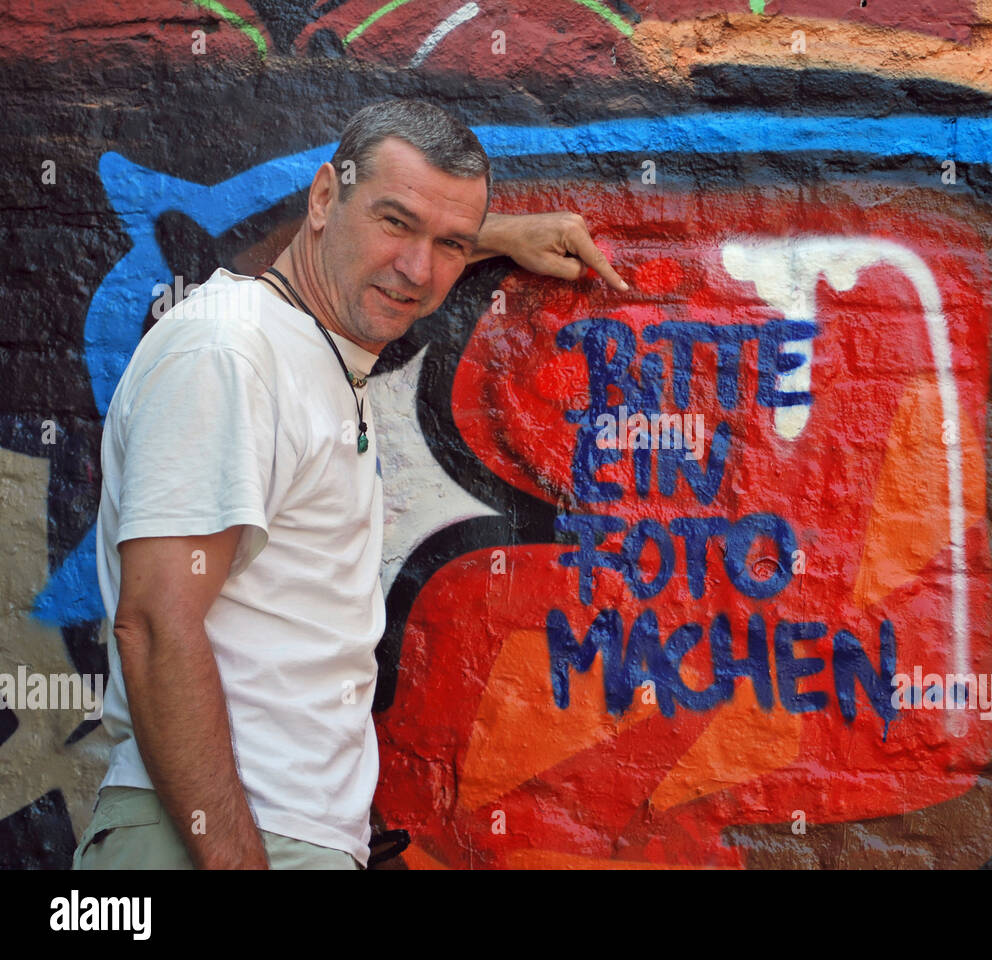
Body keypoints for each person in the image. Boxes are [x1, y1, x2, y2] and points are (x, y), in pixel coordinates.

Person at [75, 99, 627, 870]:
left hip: (283, 833)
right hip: (212, 838)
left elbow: (399, 260)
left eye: (450, 243)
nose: (419, 268)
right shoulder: (231, 354)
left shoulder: (305, 341)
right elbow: (156, 623)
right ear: (325, 198)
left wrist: (495, 237)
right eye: (395, 222)